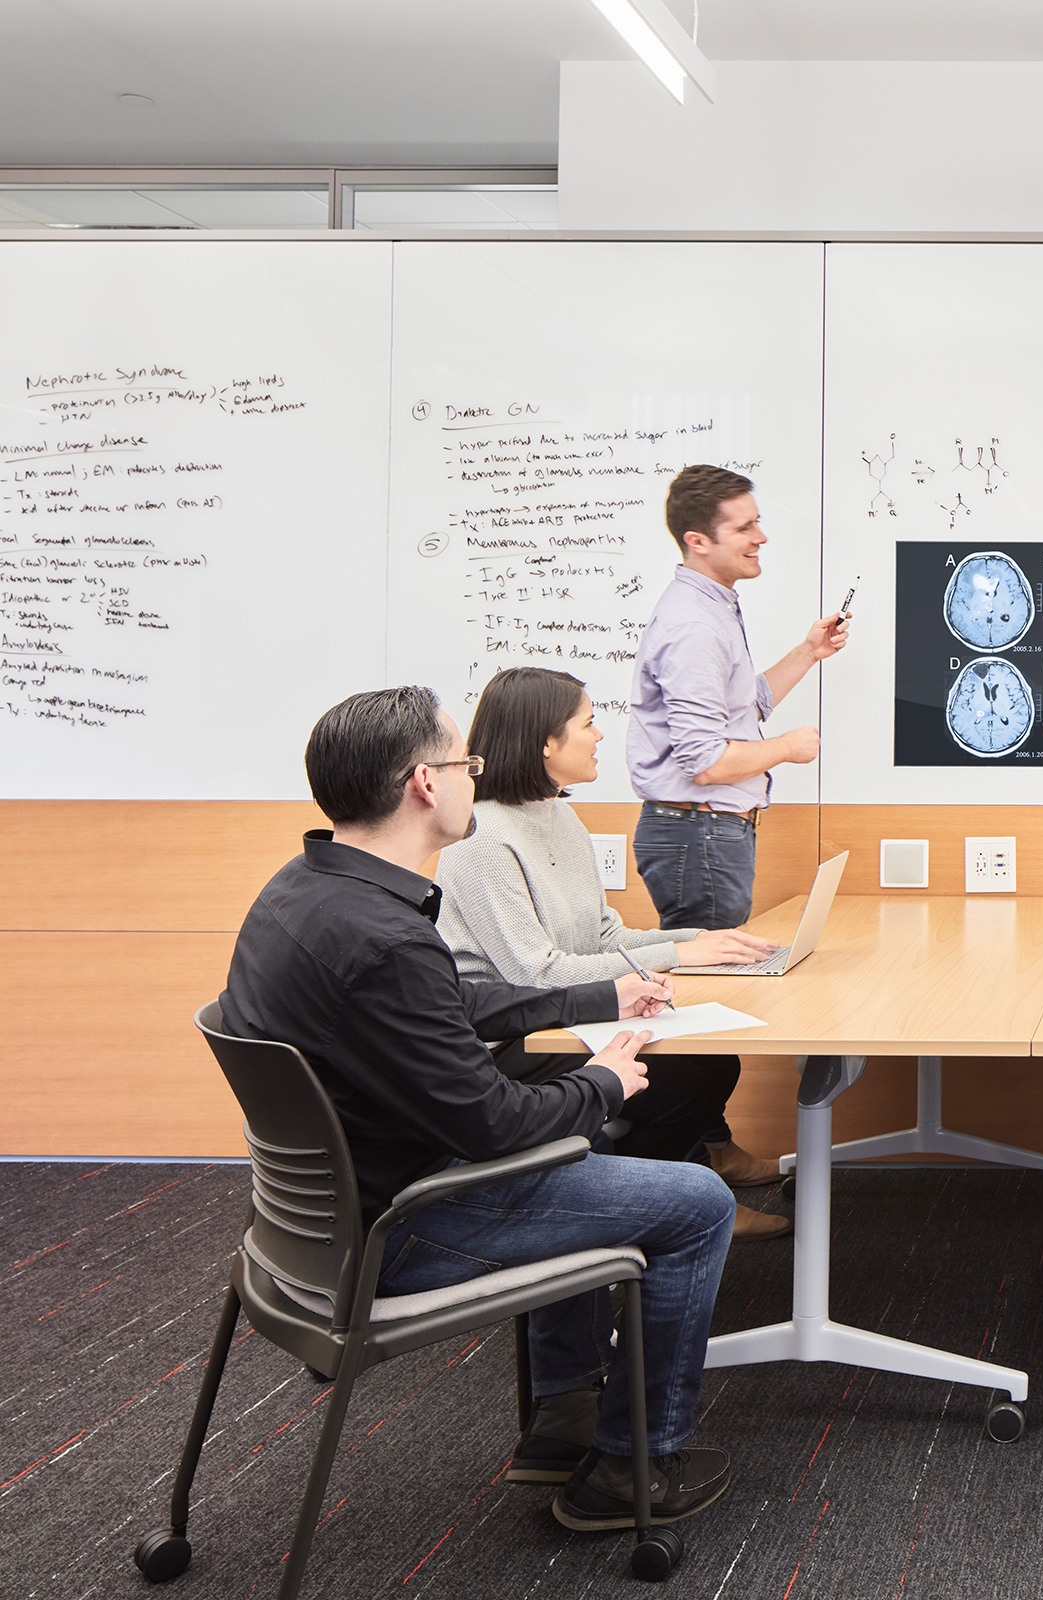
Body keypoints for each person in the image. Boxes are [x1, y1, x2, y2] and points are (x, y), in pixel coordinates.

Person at [218, 687, 739, 1533]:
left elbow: (447, 1002)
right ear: (425, 783)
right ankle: (625, 1471)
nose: (474, 777)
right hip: (402, 1225)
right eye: (464, 764)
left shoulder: (303, 892)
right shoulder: (385, 937)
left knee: (584, 1153)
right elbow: (495, 1126)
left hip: (308, 1232)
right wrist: (606, 1081)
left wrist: (597, 996)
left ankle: (563, 1419)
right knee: (695, 1203)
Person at [437, 665, 791, 1240]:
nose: (600, 735)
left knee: (708, 1065)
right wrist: (674, 957)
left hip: (566, 1019)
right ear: (547, 743)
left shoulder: (561, 817)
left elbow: (603, 937)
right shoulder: (482, 840)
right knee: (689, 1075)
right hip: (512, 1043)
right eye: (589, 723)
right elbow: (535, 973)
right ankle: (653, 1211)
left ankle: (668, 1200)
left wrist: (696, 944)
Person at [628, 464, 848, 1188]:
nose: (761, 536)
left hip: (712, 835)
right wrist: (788, 749)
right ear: (699, 540)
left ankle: (709, 1151)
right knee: (701, 1014)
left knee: (713, 1003)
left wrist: (807, 654)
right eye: (745, 526)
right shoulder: (692, 624)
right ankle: (677, 1178)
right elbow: (704, 759)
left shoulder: (714, 606)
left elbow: (741, 706)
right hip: (697, 834)